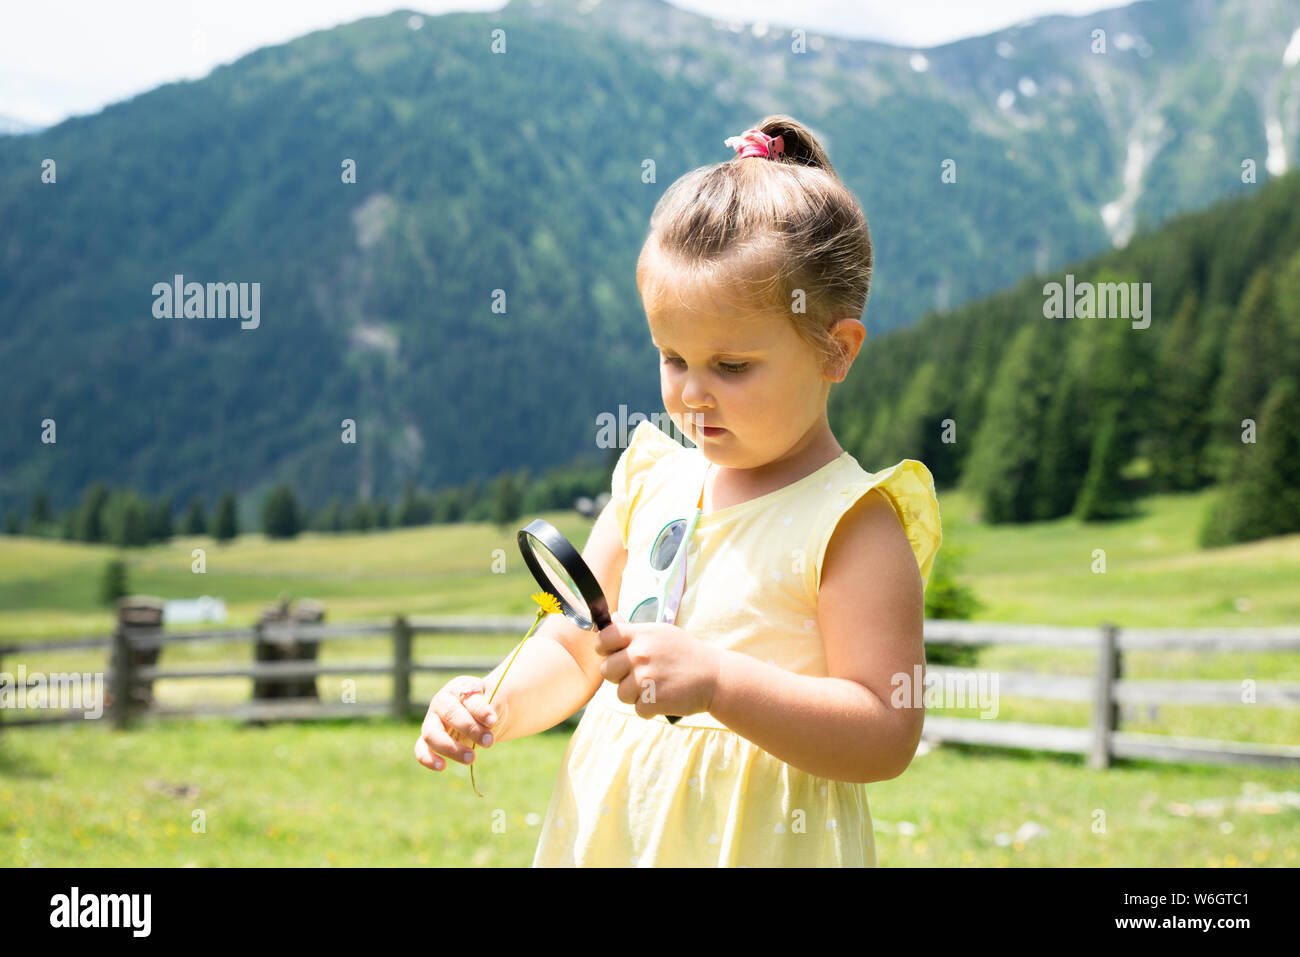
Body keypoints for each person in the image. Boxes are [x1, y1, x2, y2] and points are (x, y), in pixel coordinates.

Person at [415, 115, 942, 866]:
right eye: (672, 357)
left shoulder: (853, 524)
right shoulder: (653, 481)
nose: (693, 394)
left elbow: (886, 730)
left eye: (731, 367)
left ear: (836, 348)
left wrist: (721, 680)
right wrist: (492, 704)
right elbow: (575, 648)